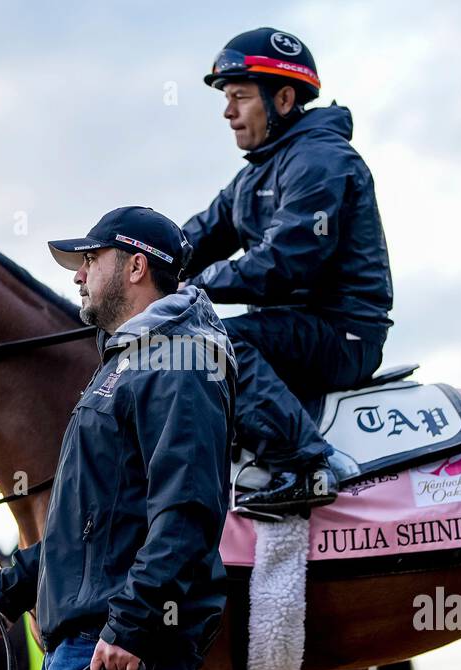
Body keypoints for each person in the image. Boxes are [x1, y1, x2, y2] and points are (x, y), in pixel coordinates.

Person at [0, 206, 235, 670]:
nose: (79, 275)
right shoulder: (129, 363)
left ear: (136, 267)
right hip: (96, 634)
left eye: (91, 259)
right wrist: (11, 588)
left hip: (113, 640)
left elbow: (188, 512)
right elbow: (88, 522)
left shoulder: (180, 361)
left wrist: (133, 625)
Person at [181, 27, 394, 514]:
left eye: (238, 97)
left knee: (212, 343)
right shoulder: (254, 174)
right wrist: (137, 266)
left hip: (342, 333)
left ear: (282, 98)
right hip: (291, 329)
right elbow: (194, 238)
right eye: (225, 99)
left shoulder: (321, 158)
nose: (227, 112)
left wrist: (195, 287)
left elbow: (284, 261)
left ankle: (306, 465)